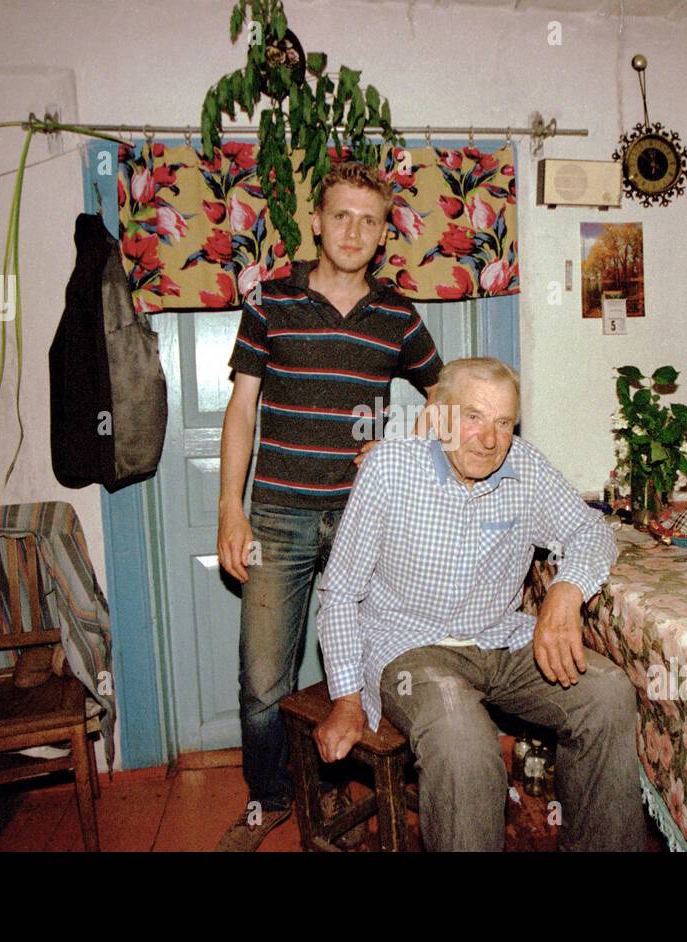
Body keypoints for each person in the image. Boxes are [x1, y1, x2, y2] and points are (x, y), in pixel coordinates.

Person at [314, 357, 644, 852]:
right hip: (412, 649)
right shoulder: (390, 469)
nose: (489, 439)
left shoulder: (525, 468)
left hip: (499, 639)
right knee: (463, 742)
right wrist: (345, 697)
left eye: (504, 422)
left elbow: (590, 530)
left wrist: (566, 589)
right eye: (473, 417)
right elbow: (339, 590)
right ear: (440, 414)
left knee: (609, 695)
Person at [215, 161, 441, 851]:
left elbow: (450, 399)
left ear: (382, 236)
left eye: (368, 220)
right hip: (278, 516)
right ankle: (273, 798)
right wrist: (231, 507)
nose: (353, 230)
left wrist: (400, 444)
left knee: (368, 665)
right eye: (340, 215)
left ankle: (349, 781)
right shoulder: (270, 303)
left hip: (363, 522)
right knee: (262, 683)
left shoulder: (398, 316)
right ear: (316, 221)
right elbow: (242, 410)